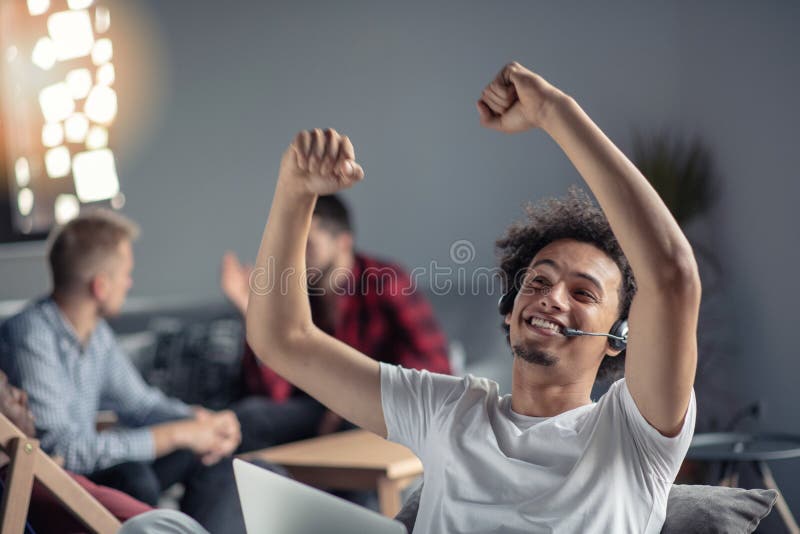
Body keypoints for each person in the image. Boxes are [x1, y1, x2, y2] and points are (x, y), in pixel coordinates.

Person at [244, 61, 700, 533]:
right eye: (538, 282)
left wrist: (552, 111)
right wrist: (295, 192)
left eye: (582, 291)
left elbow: (672, 276)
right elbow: (284, 340)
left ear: (619, 336)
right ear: (509, 311)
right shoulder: (448, 411)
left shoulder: (632, 432)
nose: (551, 298)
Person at [0, 210, 247, 534]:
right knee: (134, 476)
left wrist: (199, 421)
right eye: (125, 274)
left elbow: (140, 404)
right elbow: (62, 449)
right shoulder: (32, 335)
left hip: (89, 468)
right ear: (100, 286)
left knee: (208, 454)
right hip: (54, 481)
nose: (130, 283)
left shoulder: (96, 333)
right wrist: (176, 433)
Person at [222, 194, 451, 452]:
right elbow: (277, 394)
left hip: (383, 406)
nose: (296, 255)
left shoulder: (386, 281)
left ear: (343, 243)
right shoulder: (295, 296)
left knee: (357, 426)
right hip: (320, 409)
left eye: (307, 244)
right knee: (248, 418)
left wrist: (354, 402)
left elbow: (437, 368)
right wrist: (250, 311)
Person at [0, 368, 152, 533]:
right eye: (8, 391)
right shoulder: (30, 482)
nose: (22, 395)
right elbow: (145, 520)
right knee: (136, 477)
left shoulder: (28, 479)